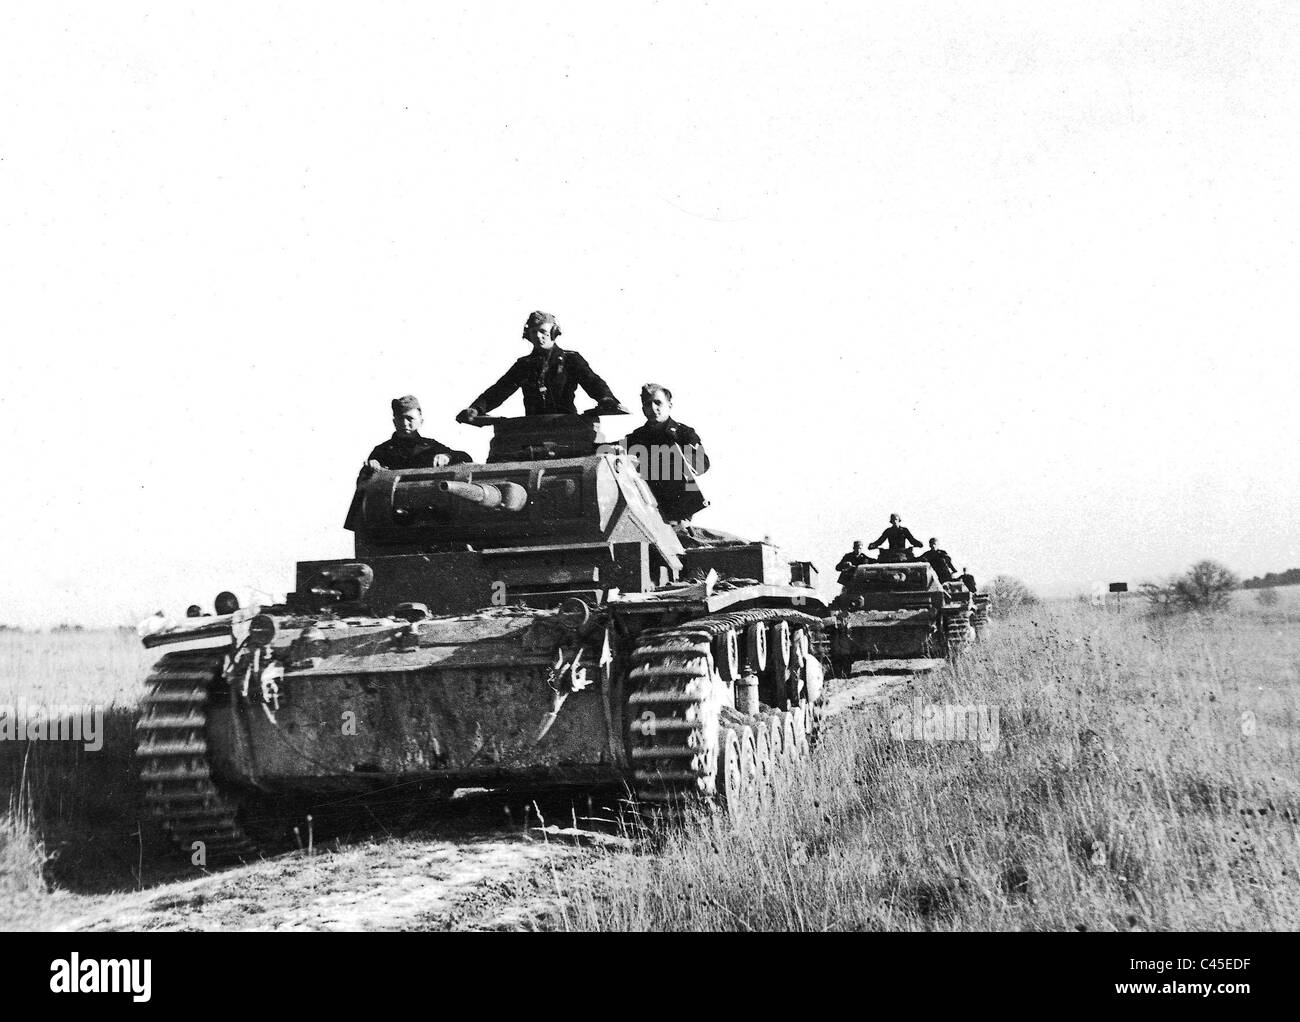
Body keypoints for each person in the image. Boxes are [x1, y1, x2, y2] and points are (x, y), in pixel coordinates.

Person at [456, 311, 624, 421]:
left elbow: (592, 382)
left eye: (543, 332)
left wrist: (606, 399)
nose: (538, 337)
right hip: (532, 428)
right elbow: (500, 390)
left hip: (568, 427)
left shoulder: (571, 359)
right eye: (534, 332)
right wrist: (477, 408)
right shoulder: (524, 365)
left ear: (554, 333)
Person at [623, 382, 709, 525]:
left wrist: (678, 456)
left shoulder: (684, 433)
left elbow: (702, 465)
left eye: (658, 403)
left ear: (669, 405)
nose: (653, 408)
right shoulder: (637, 437)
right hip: (646, 507)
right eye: (647, 404)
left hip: (678, 508)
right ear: (643, 409)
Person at [359, 395, 472, 484]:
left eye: (410, 418)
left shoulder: (431, 446)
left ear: (421, 421)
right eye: (400, 418)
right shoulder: (381, 451)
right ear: (394, 422)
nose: (404, 423)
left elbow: (466, 458)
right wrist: (371, 469)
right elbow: (363, 485)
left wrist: (447, 457)